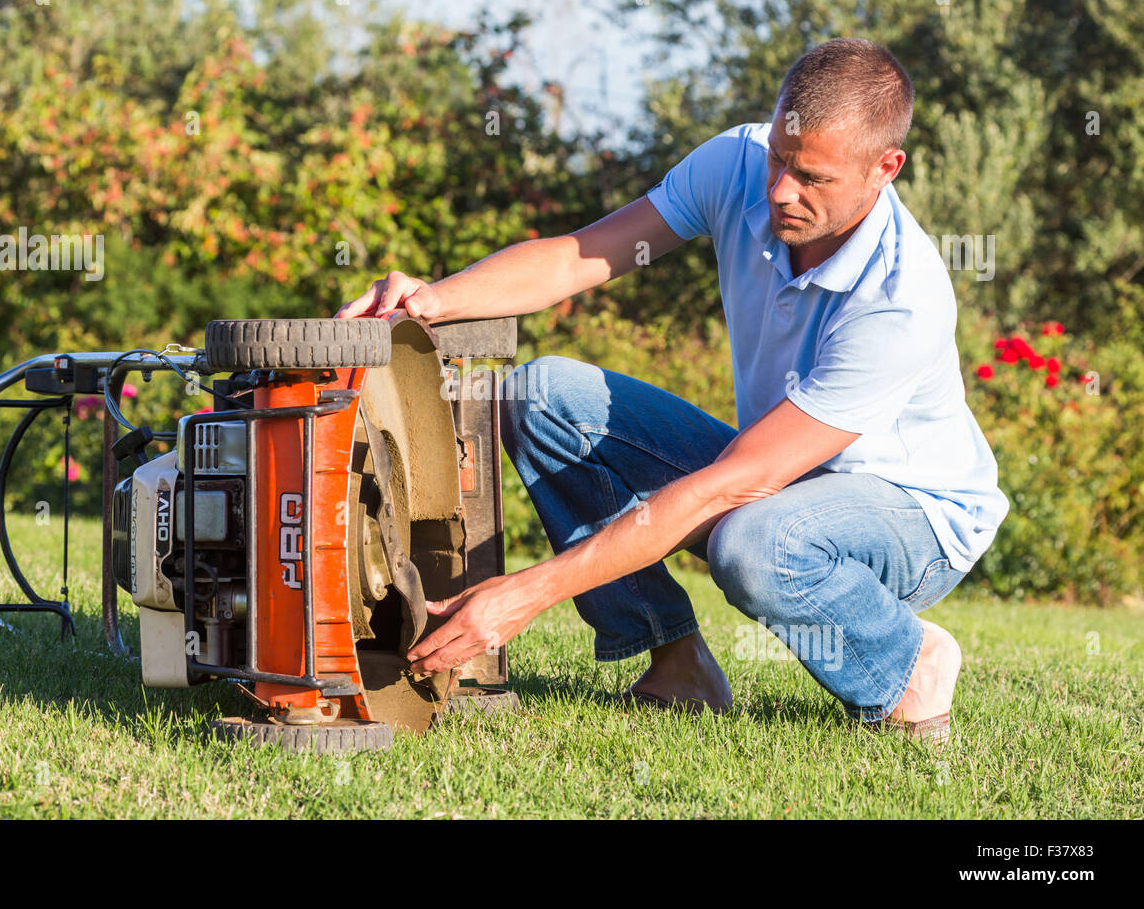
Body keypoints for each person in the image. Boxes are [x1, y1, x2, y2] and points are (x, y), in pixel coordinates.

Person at [336, 38, 1008, 744]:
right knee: (542, 396)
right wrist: (431, 300)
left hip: (912, 518)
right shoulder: (739, 165)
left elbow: (730, 489)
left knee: (754, 542)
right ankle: (679, 664)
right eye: (781, 158)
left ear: (886, 168)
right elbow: (579, 257)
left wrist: (526, 594)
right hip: (778, 476)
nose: (781, 189)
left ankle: (909, 663)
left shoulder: (902, 298)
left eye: (812, 177)